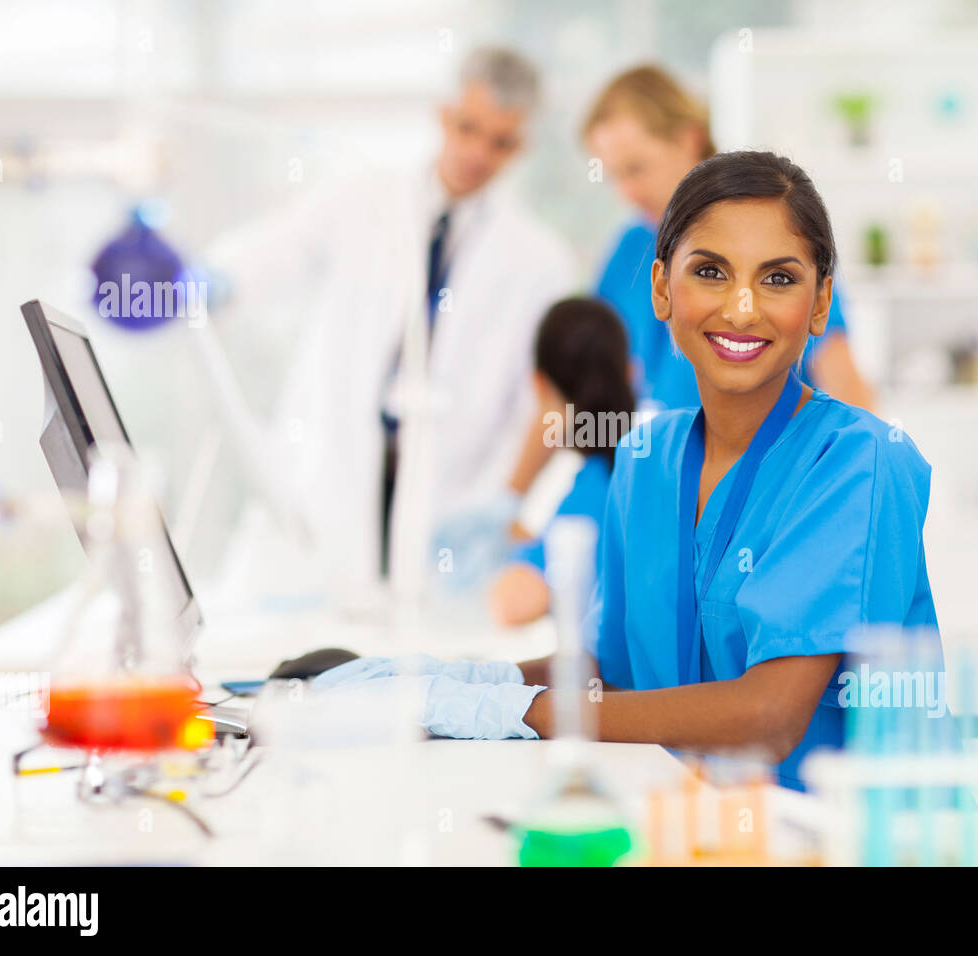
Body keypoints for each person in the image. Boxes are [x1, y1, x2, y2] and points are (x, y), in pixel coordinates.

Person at [314, 151, 940, 792]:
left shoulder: (856, 464)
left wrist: (516, 713)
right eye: (711, 272)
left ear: (820, 303)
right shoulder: (647, 460)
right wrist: (454, 682)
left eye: (778, 279)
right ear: (663, 290)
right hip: (705, 833)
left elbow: (768, 714)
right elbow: (611, 674)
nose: (743, 308)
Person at [203, 48, 574, 594]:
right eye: (468, 128)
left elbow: (546, 400)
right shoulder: (360, 198)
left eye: (500, 142)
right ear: (443, 115)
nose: (477, 153)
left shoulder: (541, 261)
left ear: (521, 146)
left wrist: (505, 502)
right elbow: (278, 251)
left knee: (416, 658)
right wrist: (216, 280)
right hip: (332, 481)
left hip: (450, 499)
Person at [585, 66, 875, 413]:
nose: (627, 193)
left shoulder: (766, 230)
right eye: (613, 177)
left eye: (636, 169)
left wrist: (854, 458)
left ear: (688, 139)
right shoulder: (630, 249)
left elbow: (841, 375)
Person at [487, 297, 636, 626]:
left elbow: (515, 604)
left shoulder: (581, 488)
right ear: (631, 371)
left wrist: (520, 549)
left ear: (539, 385)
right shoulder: (648, 465)